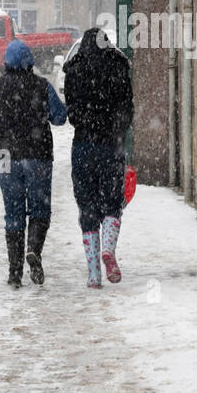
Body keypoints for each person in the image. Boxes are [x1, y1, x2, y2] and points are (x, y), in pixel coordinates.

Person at [0, 40, 68, 286]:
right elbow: (60, 118)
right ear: (30, 62)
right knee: (39, 208)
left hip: (5, 158)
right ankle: (33, 248)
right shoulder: (42, 86)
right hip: (38, 155)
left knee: (12, 212)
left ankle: (14, 272)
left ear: (6, 62)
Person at [63, 25, 134, 289]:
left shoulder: (74, 69)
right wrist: (116, 130)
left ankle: (93, 274)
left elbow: (72, 113)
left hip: (83, 146)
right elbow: (127, 106)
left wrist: (87, 123)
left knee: (87, 207)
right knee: (113, 201)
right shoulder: (117, 65)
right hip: (110, 146)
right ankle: (109, 249)